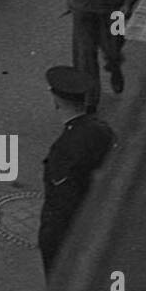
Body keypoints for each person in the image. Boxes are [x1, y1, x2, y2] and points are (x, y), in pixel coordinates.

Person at [37, 65, 115, 275]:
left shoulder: (64, 149)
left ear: (55, 100)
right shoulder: (102, 130)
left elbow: (62, 202)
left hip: (65, 234)